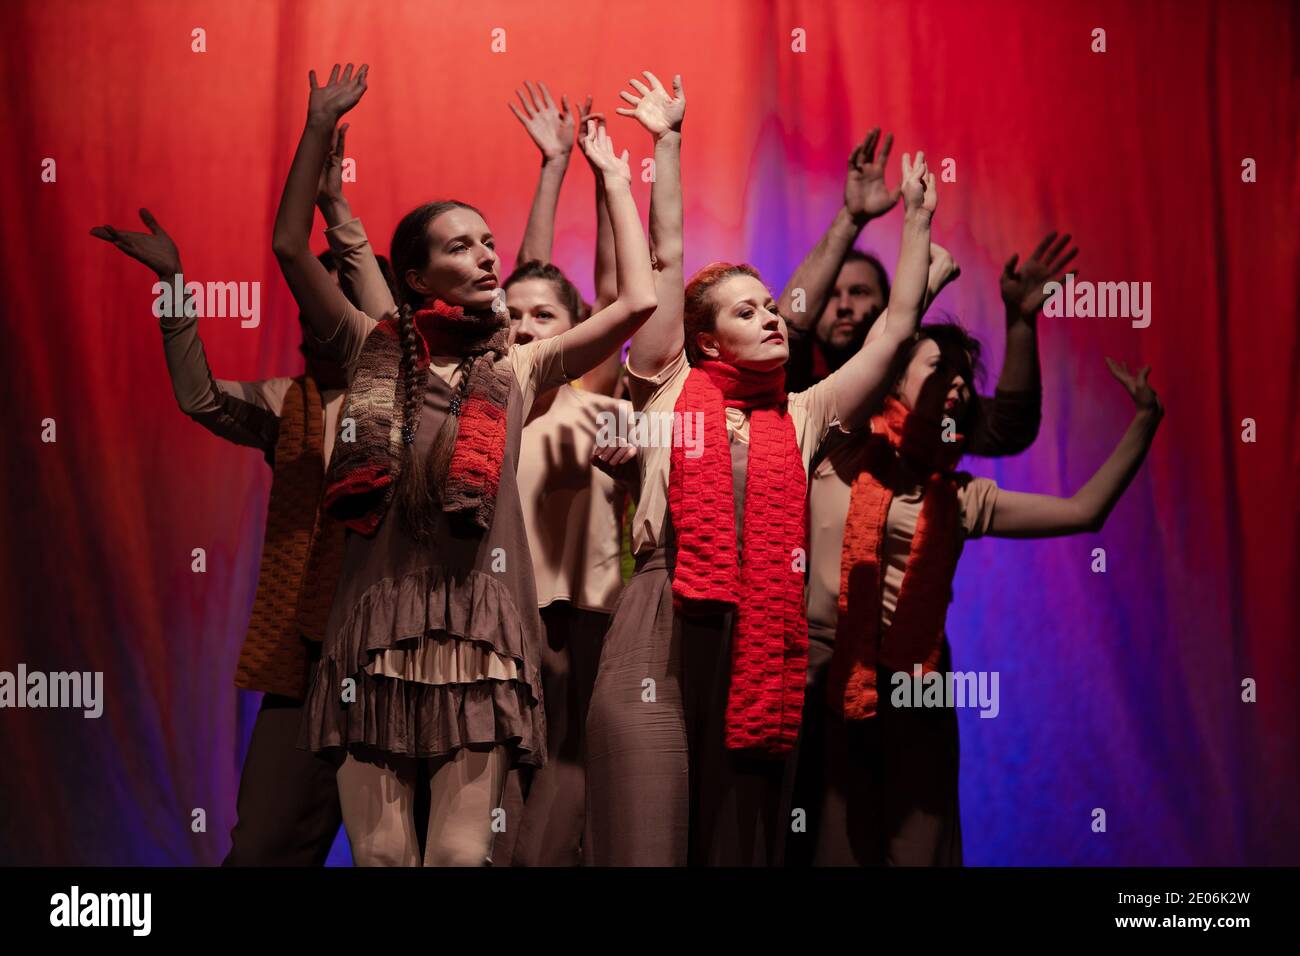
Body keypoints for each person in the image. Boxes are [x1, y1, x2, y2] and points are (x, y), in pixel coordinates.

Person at [273, 63, 657, 866]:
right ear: (414, 279)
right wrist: (317, 129)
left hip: (480, 629)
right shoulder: (371, 346)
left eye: (490, 241)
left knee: (457, 858)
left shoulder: (517, 368)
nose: (487, 256)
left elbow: (635, 307)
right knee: (381, 860)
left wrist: (616, 177)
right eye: (462, 246)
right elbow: (287, 245)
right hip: (374, 626)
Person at [583, 68, 940, 866]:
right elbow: (666, 261)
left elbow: (895, 328)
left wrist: (918, 220)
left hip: (759, 646)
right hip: (660, 638)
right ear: (706, 340)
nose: (772, 318)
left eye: (772, 307)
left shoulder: (801, 416)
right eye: (748, 311)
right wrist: (666, 143)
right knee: (647, 848)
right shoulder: (668, 382)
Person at [89, 120, 396, 863]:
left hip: (403, 650)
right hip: (312, 654)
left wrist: (335, 202)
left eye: (340, 300)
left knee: (406, 848)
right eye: (311, 308)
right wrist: (173, 286)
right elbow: (200, 400)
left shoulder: (422, 396)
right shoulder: (286, 402)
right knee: (263, 843)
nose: (321, 320)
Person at [794, 306, 1162, 864]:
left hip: (919, 685)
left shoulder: (961, 497)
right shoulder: (841, 449)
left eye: (966, 377)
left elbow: (1085, 511)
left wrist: (1145, 421)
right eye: (940, 368)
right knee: (833, 846)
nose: (958, 384)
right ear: (892, 376)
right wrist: (925, 269)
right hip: (826, 670)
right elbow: (883, 344)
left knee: (922, 849)